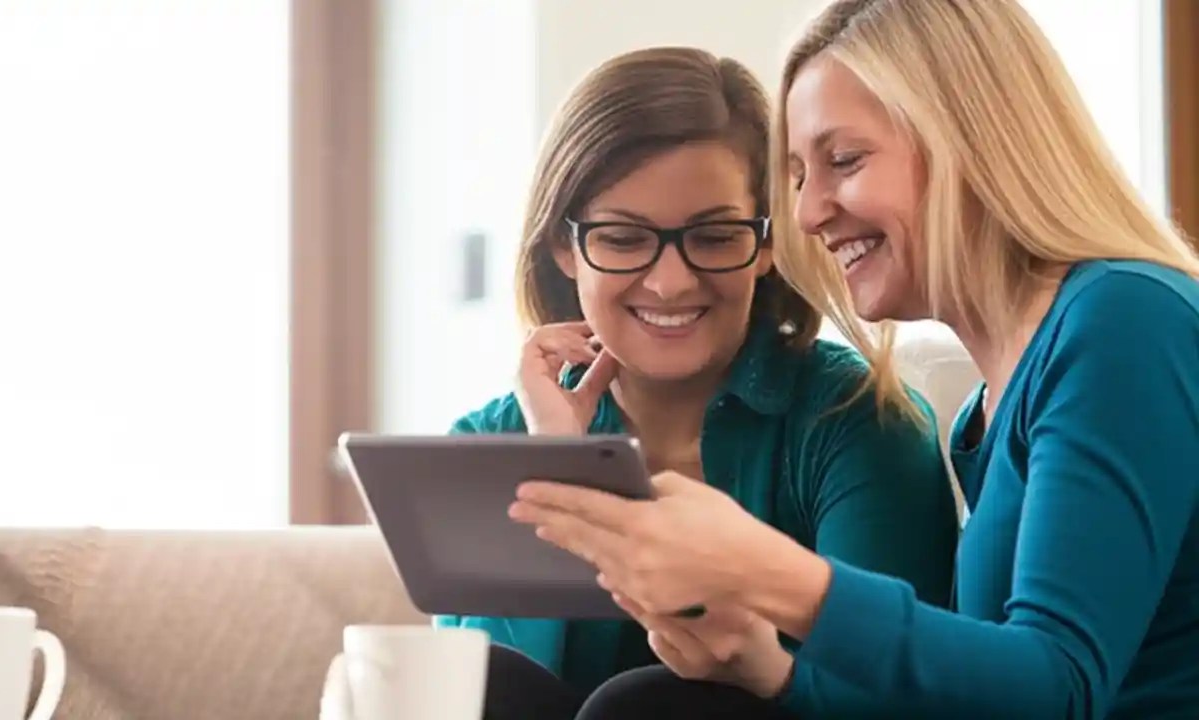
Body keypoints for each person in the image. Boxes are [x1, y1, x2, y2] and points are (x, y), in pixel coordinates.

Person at [508, 1, 1199, 718]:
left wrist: (771, 573)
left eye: (844, 161)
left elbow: (1059, 687)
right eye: (800, 175)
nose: (805, 214)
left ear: (969, 139)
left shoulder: (1125, 317)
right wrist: (770, 671)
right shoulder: (991, 404)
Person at [436, 46, 961, 720]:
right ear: (564, 248)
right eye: (623, 239)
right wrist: (558, 466)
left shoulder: (859, 423)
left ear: (769, 241)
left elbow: (893, 698)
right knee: (482, 680)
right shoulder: (490, 444)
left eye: (714, 236)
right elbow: (483, 700)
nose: (671, 281)